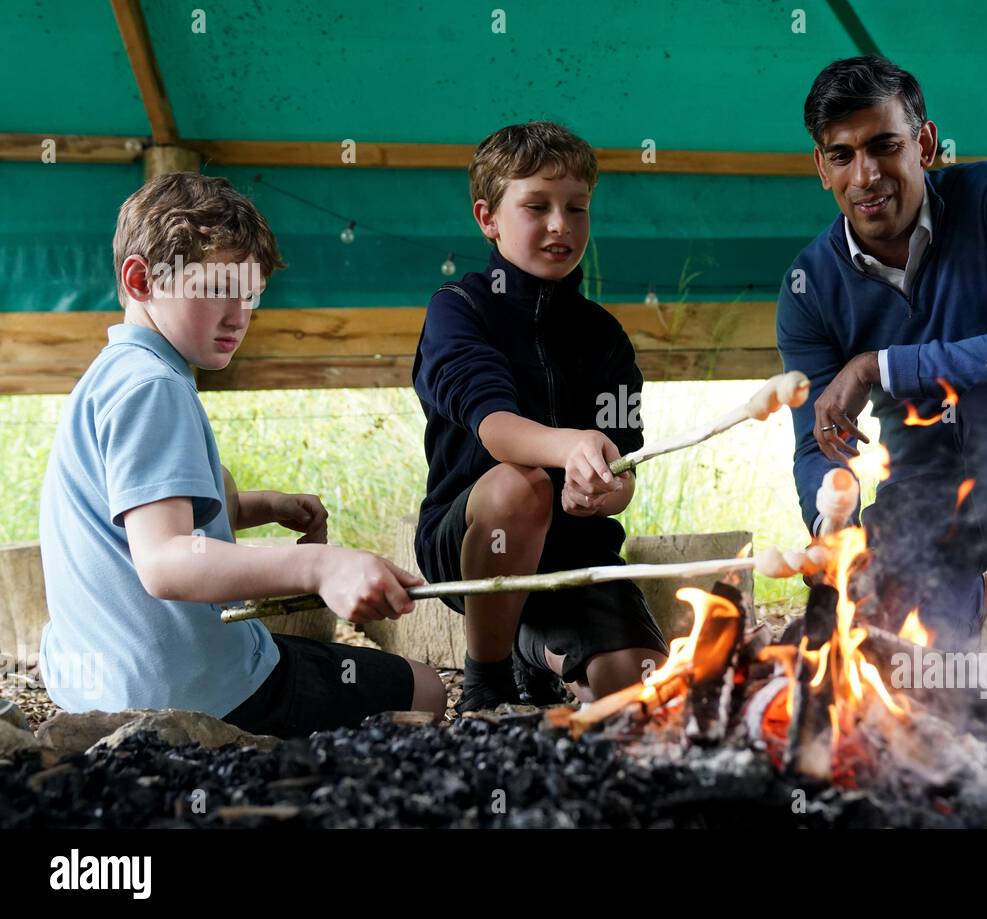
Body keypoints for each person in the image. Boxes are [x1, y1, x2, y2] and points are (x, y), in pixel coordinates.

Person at [38, 173, 445, 737]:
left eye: (249, 293)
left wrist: (256, 507)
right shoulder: (153, 387)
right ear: (140, 279)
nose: (239, 314)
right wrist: (322, 565)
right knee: (428, 689)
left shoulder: (114, 376)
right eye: (215, 289)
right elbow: (164, 562)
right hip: (184, 691)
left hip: (93, 684)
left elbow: (149, 516)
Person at [777, 56, 987, 707]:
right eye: (840, 156)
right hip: (925, 500)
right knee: (909, 665)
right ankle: (965, 630)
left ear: (924, 143)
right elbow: (819, 444)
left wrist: (878, 365)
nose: (865, 176)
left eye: (884, 146)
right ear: (821, 168)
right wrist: (831, 509)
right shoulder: (808, 286)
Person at [412, 121, 668, 714]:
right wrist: (571, 446)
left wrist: (606, 492)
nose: (561, 225)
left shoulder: (605, 336)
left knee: (634, 694)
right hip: (474, 540)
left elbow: (624, 463)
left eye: (577, 208)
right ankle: (488, 677)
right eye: (537, 206)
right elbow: (494, 426)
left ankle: (541, 649)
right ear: (488, 218)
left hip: (579, 555)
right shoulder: (459, 310)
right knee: (519, 485)